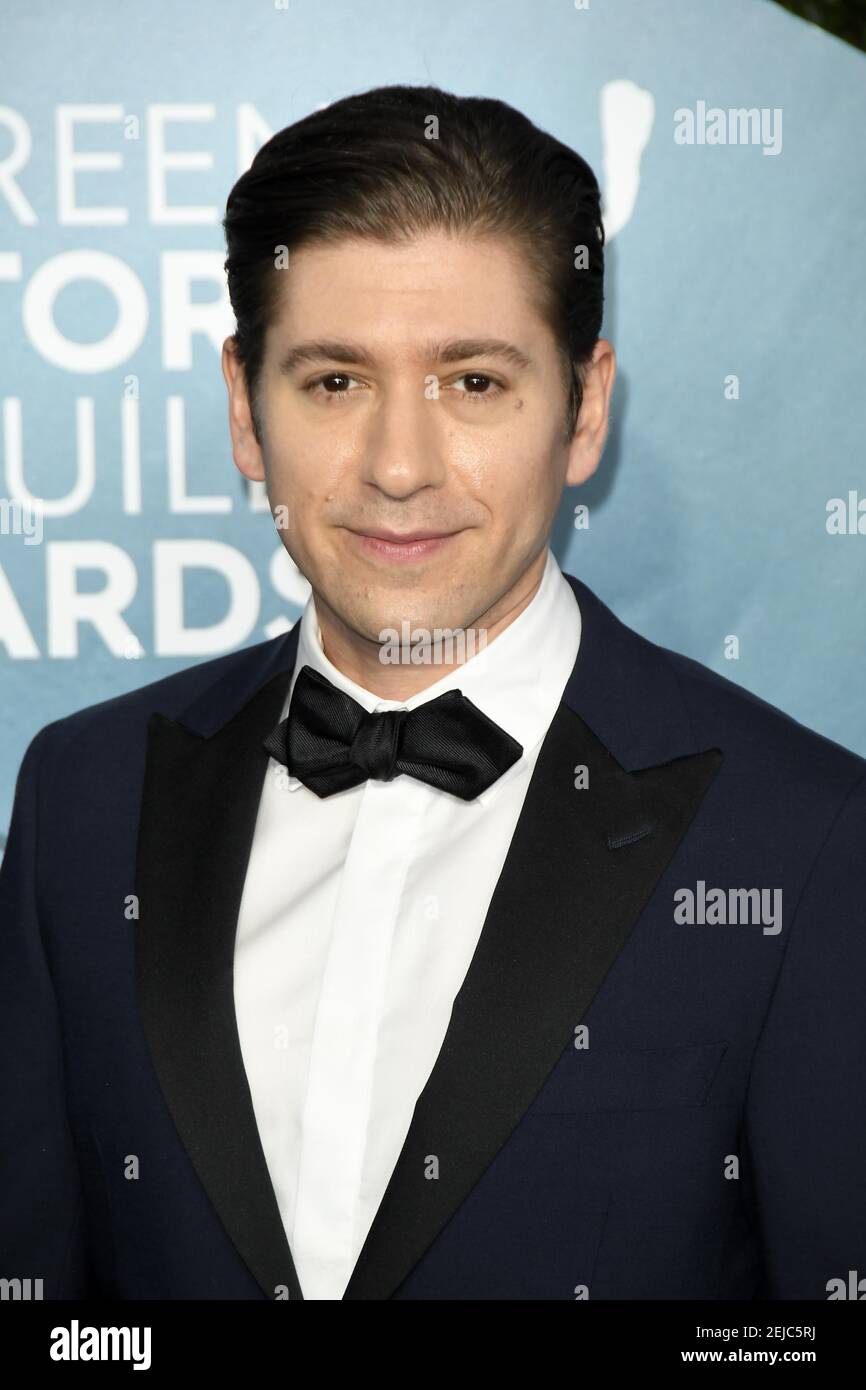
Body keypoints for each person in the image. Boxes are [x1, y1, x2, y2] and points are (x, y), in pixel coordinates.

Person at [1, 84, 864, 1302]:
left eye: (472, 382)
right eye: (334, 382)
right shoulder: (80, 801)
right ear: (246, 408)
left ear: (584, 409)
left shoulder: (810, 838)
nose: (398, 468)